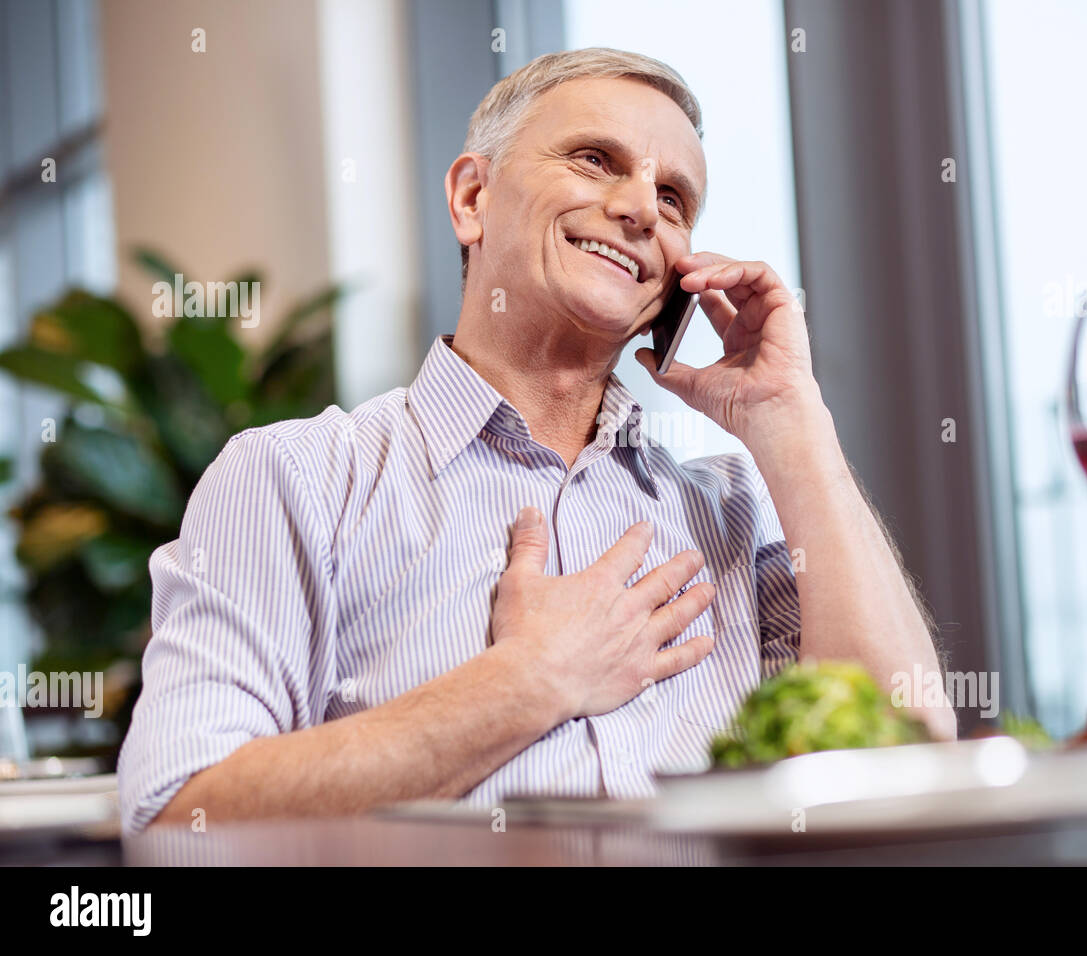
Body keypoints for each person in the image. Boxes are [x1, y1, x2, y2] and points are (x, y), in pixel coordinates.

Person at [117, 47, 955, 837]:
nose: (637, 208)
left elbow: (906, 755)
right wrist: (529, 681)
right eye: (595, 160)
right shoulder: (297, 478)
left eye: (674, 200)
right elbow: (180, 819)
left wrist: (792, 421)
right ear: (472, 200)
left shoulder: (726, 516)